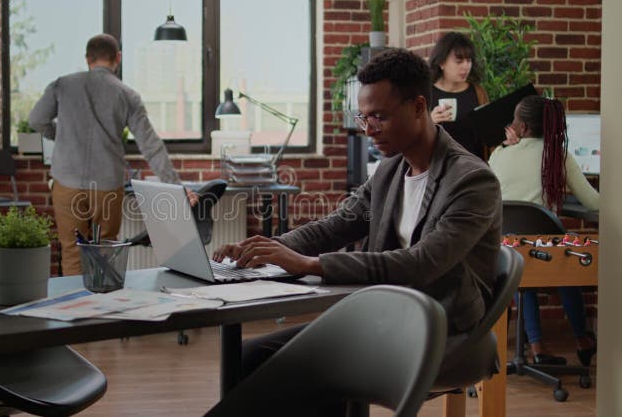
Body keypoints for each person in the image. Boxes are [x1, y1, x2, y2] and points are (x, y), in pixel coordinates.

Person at [213, 49, 502, 395]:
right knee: (245, 359)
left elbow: (422, 263)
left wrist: (310, 264)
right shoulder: (390, 170)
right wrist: (266, 248)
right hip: (383, 317)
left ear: (419, 107)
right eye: (364, 118)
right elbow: (337, 226)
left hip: (441, 330)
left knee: (302, 371)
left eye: (379, 117)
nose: (369, 130)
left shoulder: (472, 180)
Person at [30, 33, 195, 276]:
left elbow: (36, 120)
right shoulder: (127, 95)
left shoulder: (62, 85)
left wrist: (60, 137)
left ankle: (75, 310)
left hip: (66, 181)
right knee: (106, 247)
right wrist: (175, 186)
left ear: (88, 58)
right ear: (117, 58)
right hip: (106, 184)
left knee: (72, 250)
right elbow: (150, 145)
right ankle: (105, 308)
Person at [489, 95, 598, 366]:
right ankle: (582, 338)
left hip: (505, 254)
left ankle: (536, 345)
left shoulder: (498, 154)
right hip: (547, 255)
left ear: (523, 128)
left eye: (515, 119)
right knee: (565, 257)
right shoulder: (557, 155)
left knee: (518, 257)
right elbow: (594, 203)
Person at [428, 32, 489, 159]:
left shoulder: (478, 92)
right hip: (439, 169)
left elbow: (489, 137)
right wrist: (429, 123)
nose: (466, 66)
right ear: (442, 63)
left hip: (474, 168)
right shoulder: (426, 93)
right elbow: (410, 136)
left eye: (469, 60)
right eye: (459, 61)